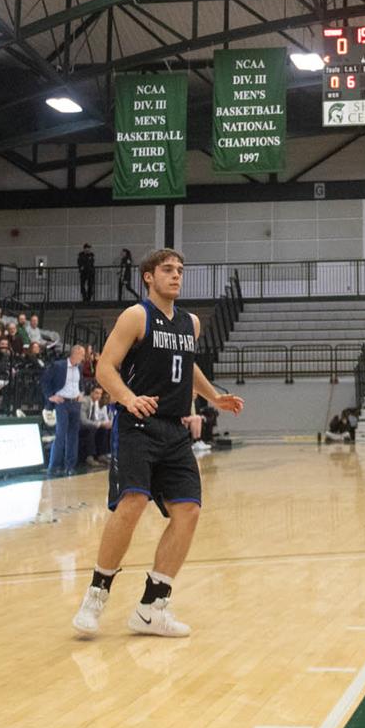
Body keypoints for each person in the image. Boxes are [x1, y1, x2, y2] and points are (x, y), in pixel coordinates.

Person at [70, 249, 245, 639]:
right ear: (148, 277)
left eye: (180, 270)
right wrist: (128, 398)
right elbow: (104, 368)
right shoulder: (136, 316)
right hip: (136, 425)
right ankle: (96, 595)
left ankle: (152, 606)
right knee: (132, 502)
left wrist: (213, 396)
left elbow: (188, 365)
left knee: (189, 511)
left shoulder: (191, 323)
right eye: (167, 270)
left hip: (174, 429)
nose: (176, 276)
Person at [42, 345, 88, 475]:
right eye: (82, 354)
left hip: (75, 403)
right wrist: (51, 396)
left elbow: (80, 383)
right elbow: (45, 381)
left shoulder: (79, 367)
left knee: (73, 436)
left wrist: (81, 393)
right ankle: (54, 466)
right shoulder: (59, 366)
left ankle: (70, 466)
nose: (83, 357)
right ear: (75, 354)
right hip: (62, 403)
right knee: (61, 434)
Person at [81, 386, 113, 465]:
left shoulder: (95, 402)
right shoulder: (85, 401)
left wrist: (103, 424)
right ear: (91, 392)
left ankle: (101, 455)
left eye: (100, 394)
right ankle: (90, 457)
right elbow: (83, 421)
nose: (98, 396)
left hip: (89, 425)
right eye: (96, 393)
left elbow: (95, 419)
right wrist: (99, 424)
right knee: (92, 429)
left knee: (103, 429)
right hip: (81, 427)